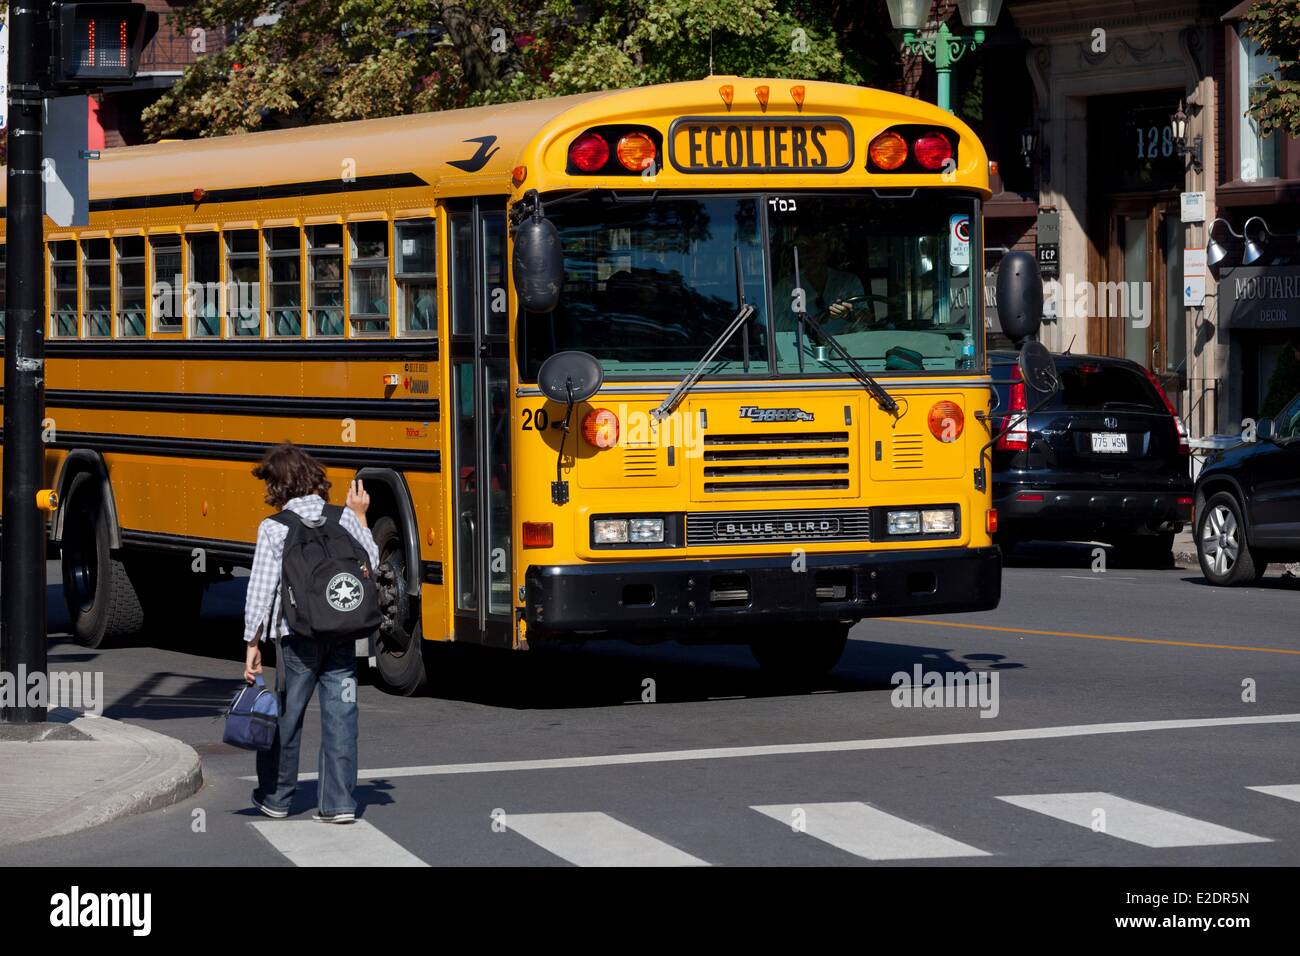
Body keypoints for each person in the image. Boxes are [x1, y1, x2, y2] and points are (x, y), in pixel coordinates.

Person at [243, 442, 379, 824]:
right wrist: (361, 515)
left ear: (277, 486)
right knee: (341, 717)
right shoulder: (344, 518)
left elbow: (262, 590)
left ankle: (277, 798)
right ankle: (338, 803)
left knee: (286, 716)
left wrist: (252, 642)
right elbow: (372, 561)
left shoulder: (274, 527)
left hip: (296, 637)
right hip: (342, 632)